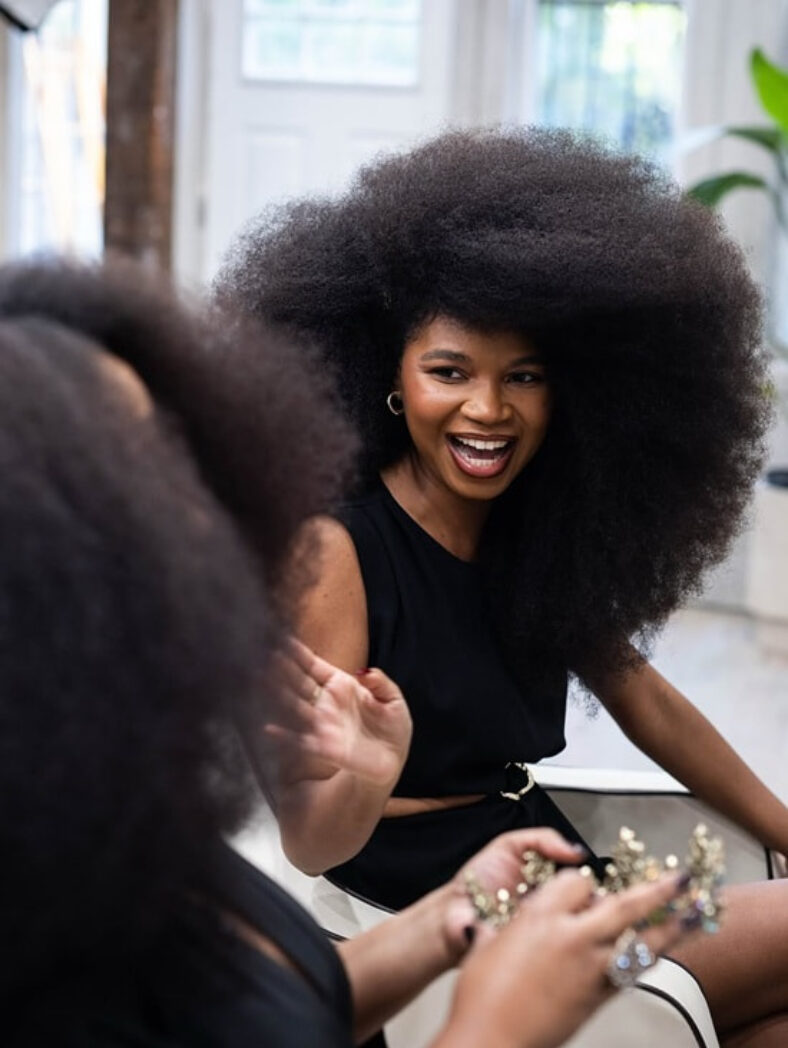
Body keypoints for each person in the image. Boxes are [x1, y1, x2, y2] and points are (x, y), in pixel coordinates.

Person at [0, 258, 693, 1048]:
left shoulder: (120, 822)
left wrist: (445, 918)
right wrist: (496, 1025)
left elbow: (289, 1018)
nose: (204, 495)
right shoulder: (40, 917)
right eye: (138, 469)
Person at [218, 127, 788, 1046]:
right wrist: (365, 774)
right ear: (389, 380)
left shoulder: (533, 534)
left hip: (545, 874)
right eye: (450, 372)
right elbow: (312, 841)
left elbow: (649, 702)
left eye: (523, 377)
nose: (488, 410)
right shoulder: (338, 549)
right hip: (435, 915)